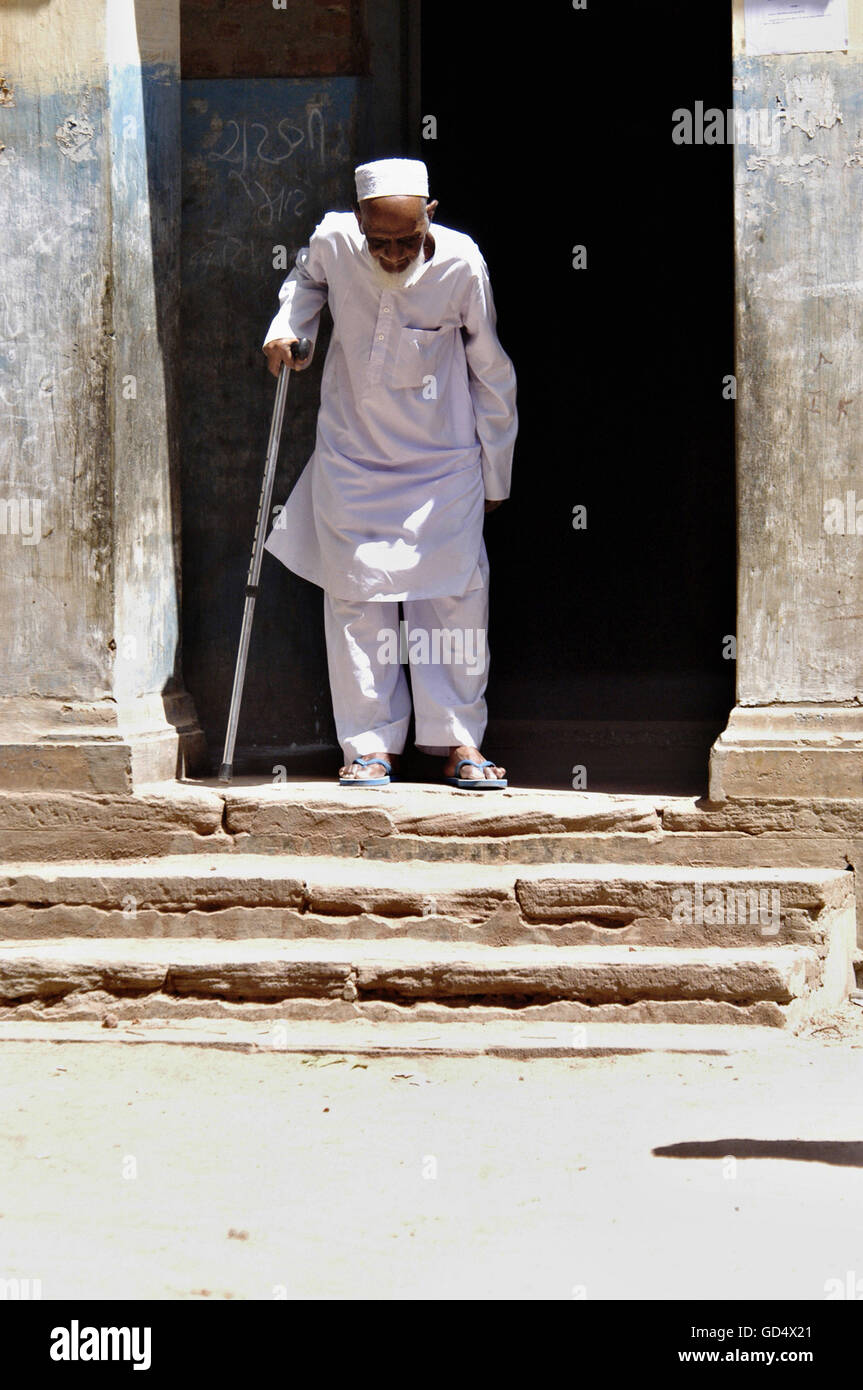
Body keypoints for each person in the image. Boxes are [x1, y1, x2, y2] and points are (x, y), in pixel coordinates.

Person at [261, 157, 517, 788]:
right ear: (359, 224)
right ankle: (369, 748)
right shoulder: (333, 240)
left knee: (454, 599)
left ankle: (459, 742)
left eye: (409, 240)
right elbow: (306, 283)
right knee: (355, 601)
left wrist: (494, 474)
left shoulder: (461, 262)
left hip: (443, 460)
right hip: (353, 455)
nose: (397, 253)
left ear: (431, 216)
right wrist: (288, 331)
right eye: (382, 242)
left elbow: (491, 370)